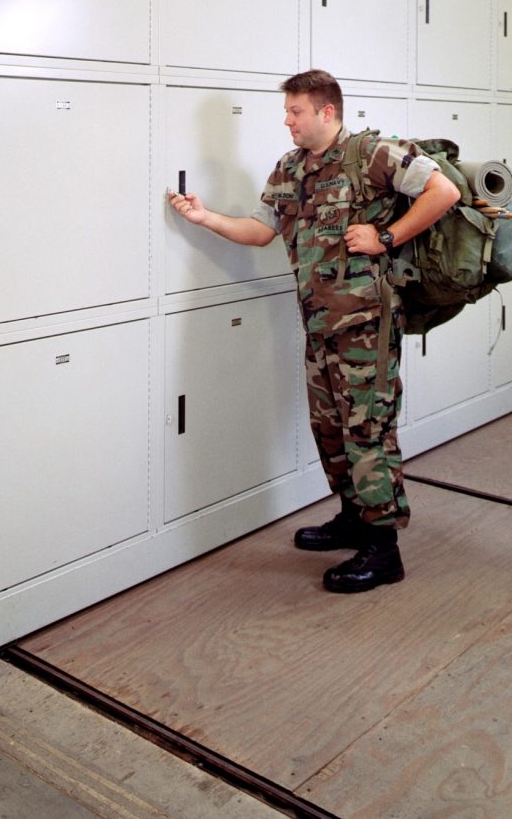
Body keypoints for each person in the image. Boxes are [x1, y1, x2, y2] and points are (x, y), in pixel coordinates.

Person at [167, 68, 460, 593]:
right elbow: (260, 231)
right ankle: (353, 518)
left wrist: (385, 236)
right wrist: (205, 217)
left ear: (326, 111)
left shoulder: (372, 154)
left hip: (367, 328)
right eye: (287, 112)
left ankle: (382, 548)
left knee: (367, 433)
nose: (287, 121)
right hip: (320, 328)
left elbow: (443, 193)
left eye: (295, 111)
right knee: (329, 431)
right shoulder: (290, 169)